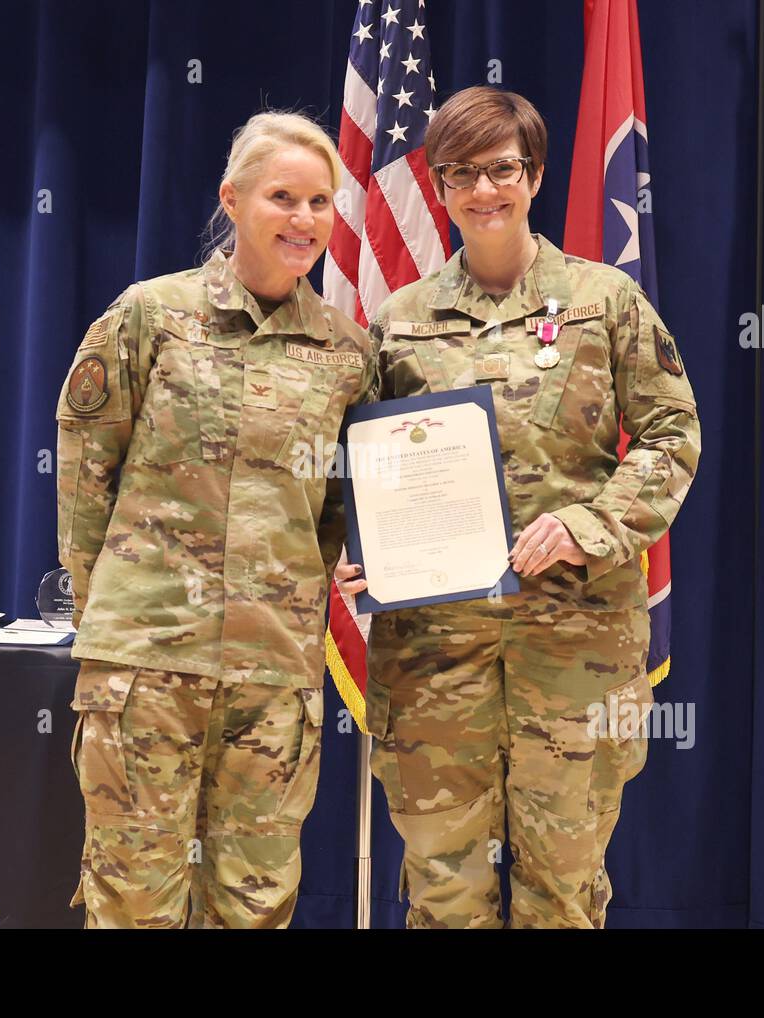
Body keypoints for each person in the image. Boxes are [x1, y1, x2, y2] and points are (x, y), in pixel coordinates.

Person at [336, 86, 700, 928]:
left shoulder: (603, 300)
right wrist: (354, 549)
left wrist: (586, 525)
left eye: (501, 169)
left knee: (563, 894)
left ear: (534, 175)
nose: (483, 190)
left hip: (573, 650)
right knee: (441, 892)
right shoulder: (398, 322)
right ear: (438, 188)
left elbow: (672, 434)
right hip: (434, 660)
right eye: (461, 173)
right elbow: (348, 464)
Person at [56, 111, 376, 928]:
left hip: (273, 680)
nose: (303, 220)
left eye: (319, 202)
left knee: (254, 907)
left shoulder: (346, 354)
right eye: (282, 198)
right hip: (147, 670)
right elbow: (87, 477)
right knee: (133, 902)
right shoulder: (151, 316)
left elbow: (342, 507)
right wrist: (118, 616)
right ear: (232, 201)